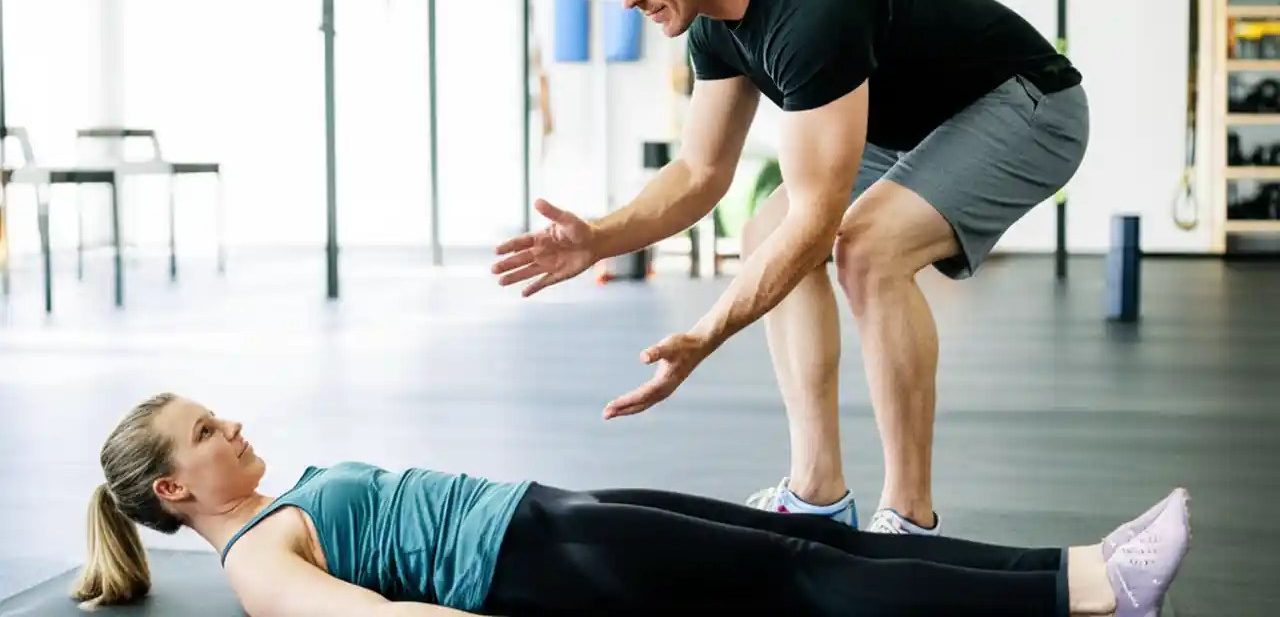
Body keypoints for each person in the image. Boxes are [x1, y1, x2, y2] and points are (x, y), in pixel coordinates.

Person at [492, 0, 1090, 535]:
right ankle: (817, 490)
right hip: (914, 127)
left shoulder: (810, 2)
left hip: (1029, 107)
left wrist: (706, 334)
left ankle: (909, 515)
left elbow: (815, 227)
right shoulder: (712, 22)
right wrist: (601, 238)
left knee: (865, 252)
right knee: (765, 232)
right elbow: (699, 172)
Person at [73, 392, 1188, 616]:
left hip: (549, 514)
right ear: (175, 488)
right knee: (800, 578)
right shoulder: (257, 562)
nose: (231, 428)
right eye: (206, 433)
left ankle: (1073, 562)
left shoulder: (282, 495)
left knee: (801, 540)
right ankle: (1089, 591)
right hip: (541, 563)